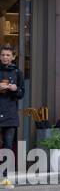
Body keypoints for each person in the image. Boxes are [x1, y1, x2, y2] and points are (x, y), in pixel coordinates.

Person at [0, 45, 24, 179]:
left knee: (8, 144)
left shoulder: (17, 73)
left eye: (8, 55)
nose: (5, 57)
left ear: (13, 57)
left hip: (10, 114)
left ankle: (5, 174)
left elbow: (21, 94)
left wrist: (15, 89)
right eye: (3, 55)